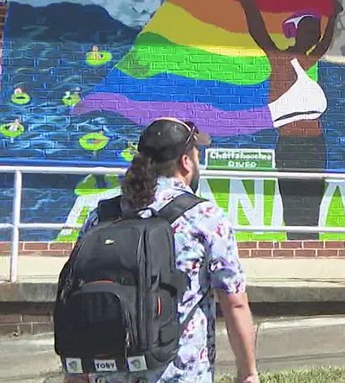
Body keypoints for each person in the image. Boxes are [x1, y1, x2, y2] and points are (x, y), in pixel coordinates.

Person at [64, 118, 259, 383]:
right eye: (196, 154)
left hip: (109, 372)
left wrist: (75, 374)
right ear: (186, 162)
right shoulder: (204, 217)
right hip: (180, 374)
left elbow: (76, 289)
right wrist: (248, 373)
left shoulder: (102, 215)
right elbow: (234, 301)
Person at [225, 0, 343, 240]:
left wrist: (334, 16)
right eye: (309, 30)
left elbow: (326, 43)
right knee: (292, 200)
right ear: (296, 33)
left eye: (315, 31)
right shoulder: (277, 57)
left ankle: (310, 244)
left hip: (316, 145)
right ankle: (295, 244)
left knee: (313, 199)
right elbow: (254, 20)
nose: (313, 35)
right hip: (290, 145)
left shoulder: (308, 60)